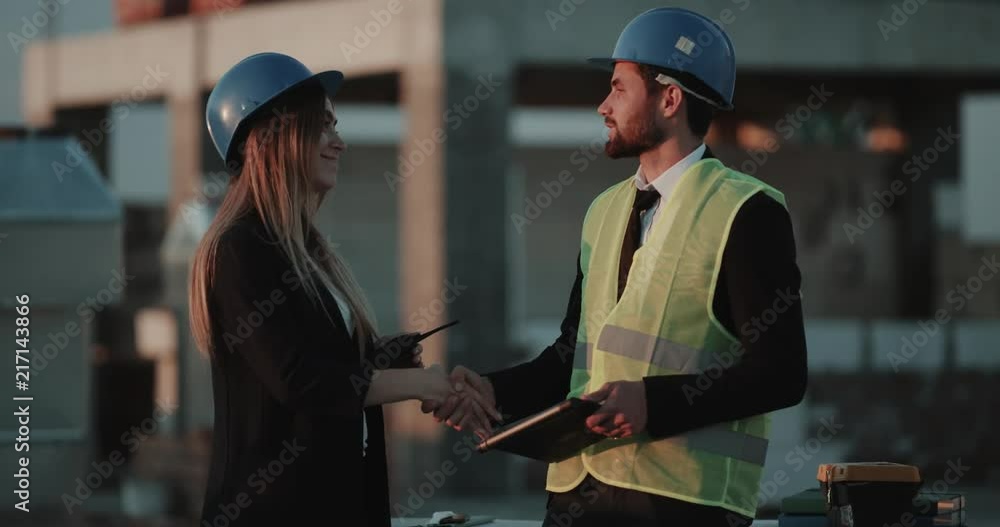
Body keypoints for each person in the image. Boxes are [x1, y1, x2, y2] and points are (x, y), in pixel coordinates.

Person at [429, 8, 809, 527]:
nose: (603, 106)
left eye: (618, 88)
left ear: (669, 98)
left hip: (682, 508)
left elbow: (781, 375)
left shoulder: (747, 213)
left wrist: (654, 402)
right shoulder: (603, 212)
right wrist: (496, 391)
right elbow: (574, 356)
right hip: (575, 500)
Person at [188, 52, 495, 526]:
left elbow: (322, 365)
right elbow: (299, 381)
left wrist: (386, 358)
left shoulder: (306, 252)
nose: (339, 143)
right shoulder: (239, 249)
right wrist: (417, 383)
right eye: (323, 126)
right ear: (273, 138)